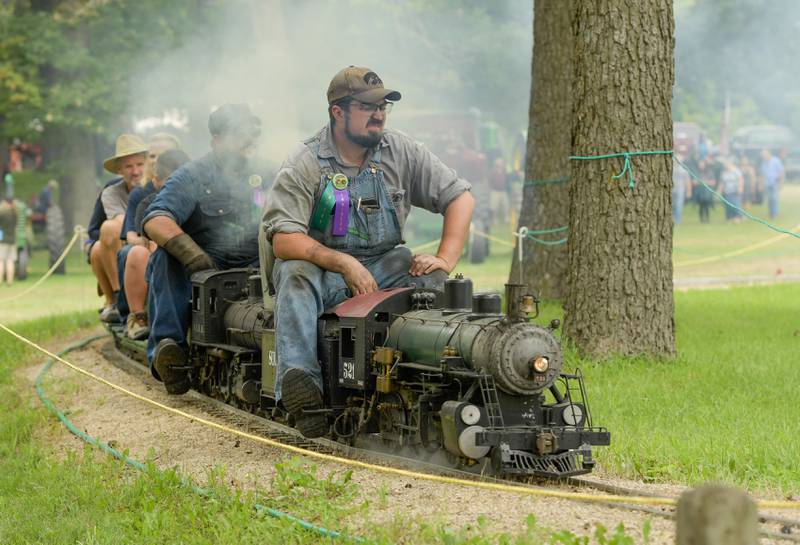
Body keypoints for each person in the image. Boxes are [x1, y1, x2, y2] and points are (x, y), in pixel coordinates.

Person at [262, 66, 475, 438]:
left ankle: (431, 377)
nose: (379, 114)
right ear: (337, 112)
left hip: (384, 266)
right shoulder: (305, 161)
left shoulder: (401, 150)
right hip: (321, 271)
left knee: (432, 278)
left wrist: (445, 258)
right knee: (295, 275)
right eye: (367, 106)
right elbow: (283, 239)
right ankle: (303, 392)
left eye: (384, 107)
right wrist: (342, 262)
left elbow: (460, 196)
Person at [143, 104, 266, 394]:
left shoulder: (270, 172)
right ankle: (169, 351)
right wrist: (196, 259)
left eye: (250, 132)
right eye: (238, 133)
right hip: (206, 270)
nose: (247, 139)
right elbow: (156, 220)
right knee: (164, 256)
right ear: (216, 140)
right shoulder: (193, 175)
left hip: (260, 266)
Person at [122, 148, 191, 340]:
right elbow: (144, 238)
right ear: (156, 181)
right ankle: (143, 321)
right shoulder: (147, 204)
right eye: (170, 182)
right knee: (154, 256)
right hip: (163, 254)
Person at [90, 134, 148, 322]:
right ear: (120, 171)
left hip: (152, 242)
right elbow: (124, 225)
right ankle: (115, 299)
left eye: (139, 164)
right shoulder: (111, 192)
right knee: (99, 244)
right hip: (125, 242)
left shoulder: (158, 185)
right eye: (129, 166)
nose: (135, 171)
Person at [759, 148, 784, 219]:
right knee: (769, 199)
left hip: (775, 183)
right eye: (762, 154)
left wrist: (781, 183)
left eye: (764, 154)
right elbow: (762, 175)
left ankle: (775, 214)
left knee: (774, 198)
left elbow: (781, 171)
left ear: (768, 153)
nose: (763, 156)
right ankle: (771, 213)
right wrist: (761, 184)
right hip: (767, 183)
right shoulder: (763, 162)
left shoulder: (776, 160)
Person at [0, 186, 17, 286]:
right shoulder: (14, 212)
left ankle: (0, 280)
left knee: (1, 261)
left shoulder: (2, 212)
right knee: (10, 261)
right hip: (12, 239)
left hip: (2, 239)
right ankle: (10, 281)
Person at [720, 157, 744, 223]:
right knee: (728, 205)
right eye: (724, 164)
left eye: (726, 164)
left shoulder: (736, 171)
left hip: (735, 191)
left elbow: (741, 179)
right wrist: (719, 190)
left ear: (730, 164)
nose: (725, 166)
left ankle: (738, 217)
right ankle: (729, 217)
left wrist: (740, 188)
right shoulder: (724, 173)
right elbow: (722, 182)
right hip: (727, 191)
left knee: (736, 204)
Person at [672, 153, 691, 225]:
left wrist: (689, 191)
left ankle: (678, 221)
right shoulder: (671, 168)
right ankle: (673, 219)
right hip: (672, 190)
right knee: (673, 205)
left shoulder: (684, 170)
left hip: (680, 190)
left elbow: (687, 181)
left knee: (679, 205)